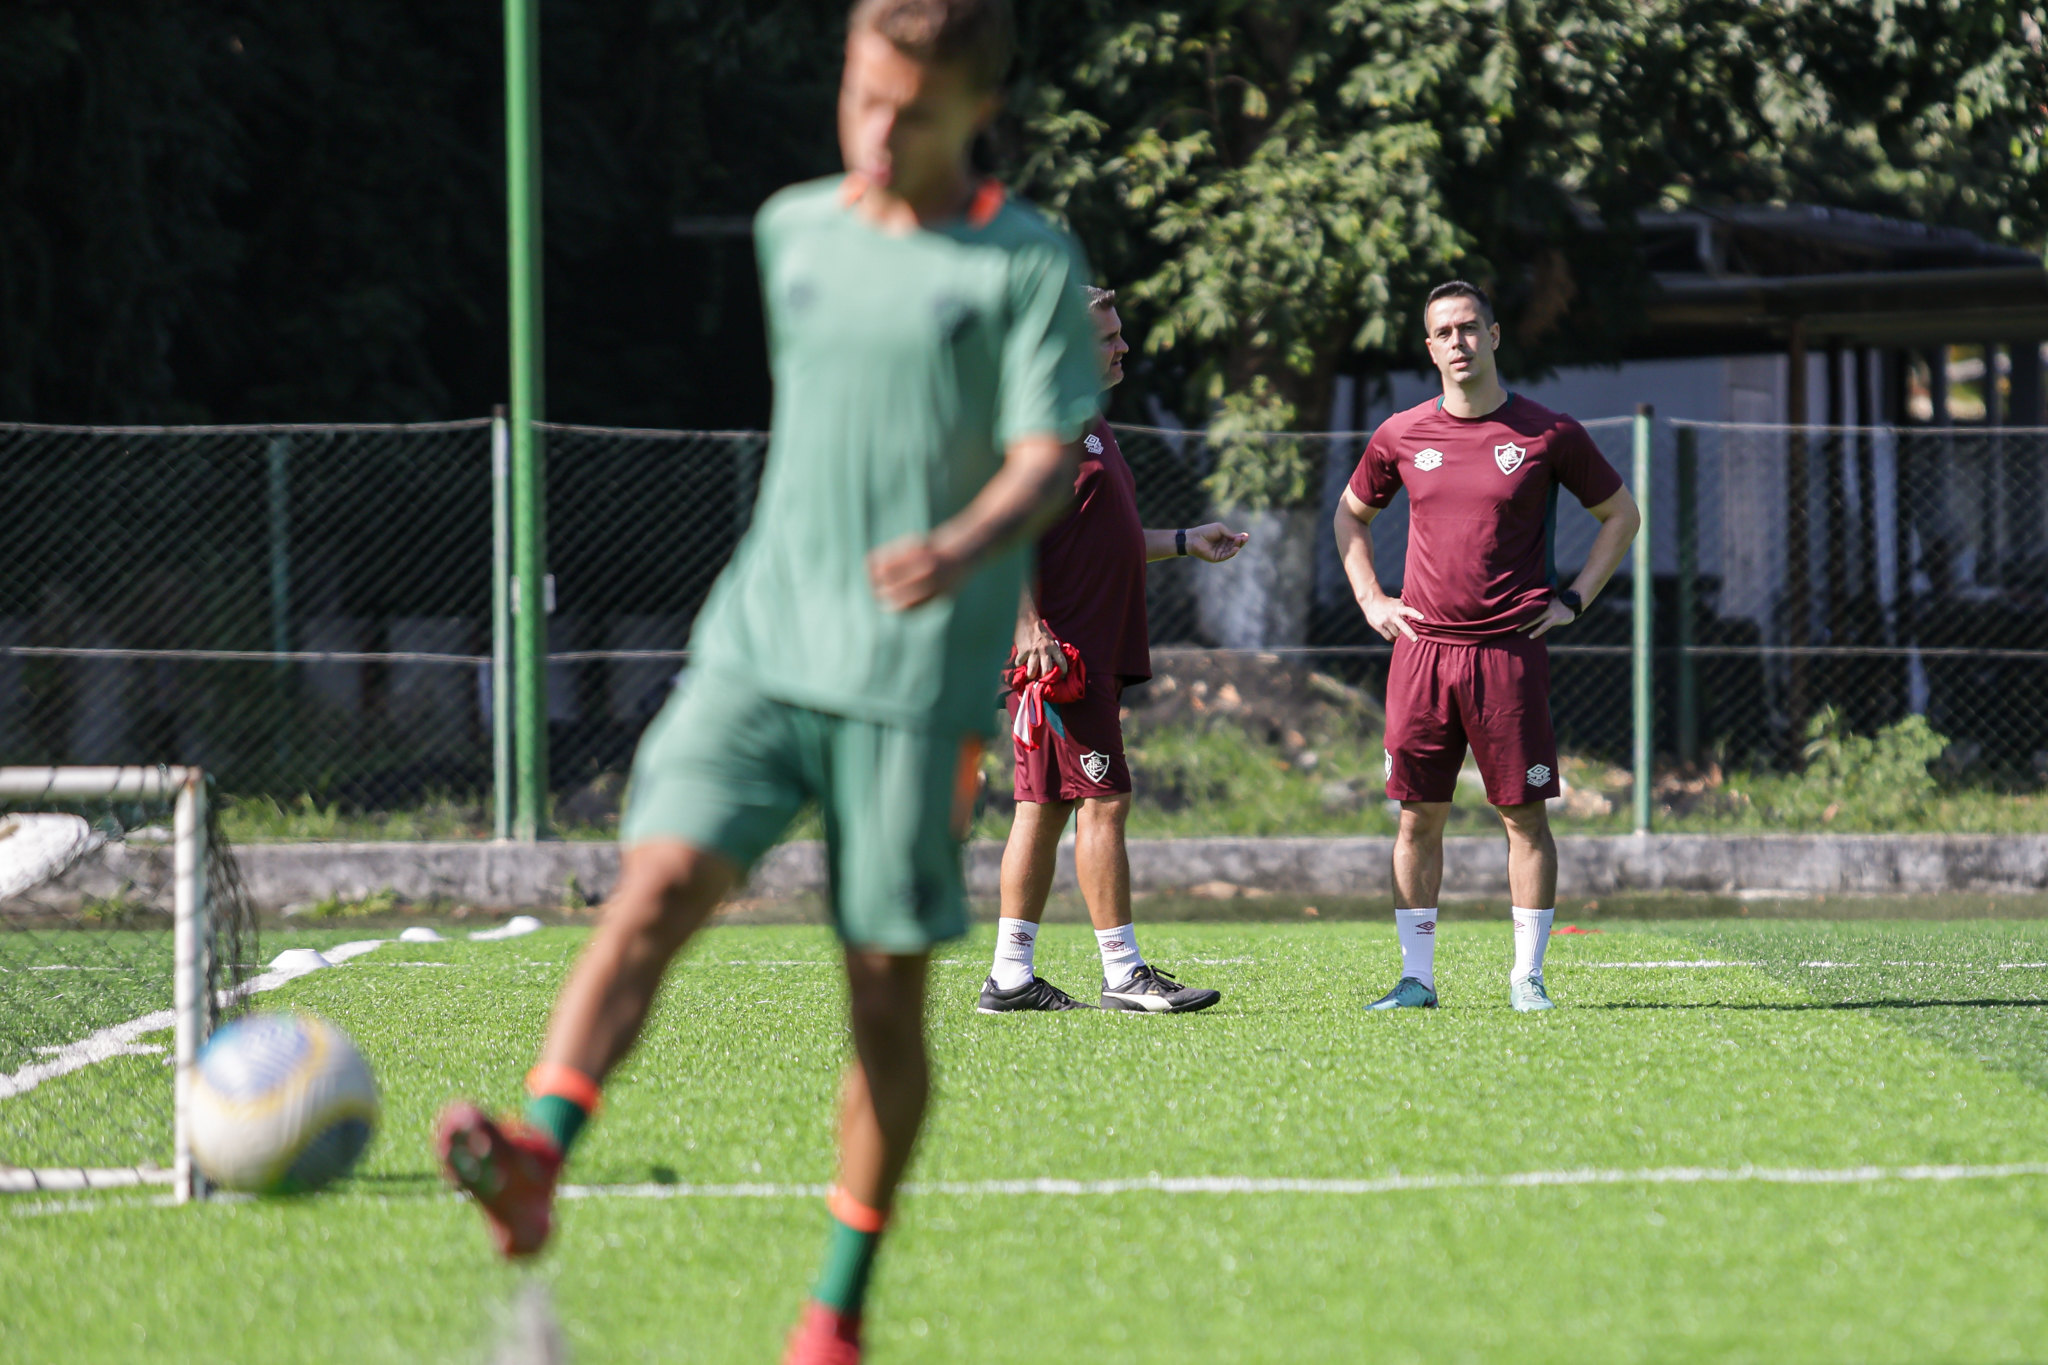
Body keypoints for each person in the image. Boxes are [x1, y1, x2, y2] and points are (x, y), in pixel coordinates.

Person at [433, 2, 1102, 1361]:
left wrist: (959, 544)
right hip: (757, 648)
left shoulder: (1028, 263)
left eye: (912, 110)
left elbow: (1046, 460)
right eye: (862, 94)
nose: (877, 129)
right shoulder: (792, 229)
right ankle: (540, 1152)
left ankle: (834, 1310)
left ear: (978, 110)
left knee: (882, 999)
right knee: (658, 885)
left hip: (912, 685)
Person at [1333, 280, 1640, 1013]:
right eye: (1444, 332)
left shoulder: (1548, 432)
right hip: (1423, 654)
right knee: (1418, 816)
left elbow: (1621, 515)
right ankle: (1416, 979)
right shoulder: (1401, 433)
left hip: (1507, 653)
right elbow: (1350, 516)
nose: (1458, 342)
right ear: (1430, 346)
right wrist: (1372, 599)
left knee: (1524, 816)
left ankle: (1528, 977)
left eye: (1469, 328)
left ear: (1494, 335)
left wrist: (1573, 599)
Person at [978, 288, 1248, 1014]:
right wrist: (1028, 628)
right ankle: (1124, 974)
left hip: (1090, 646)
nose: (1122, 347)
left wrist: (1186, 541)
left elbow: (1108, 537)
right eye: (1107, 338)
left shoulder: (1090, 421)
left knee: (1046, 806)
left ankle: (1010, 977)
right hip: (1061, 657)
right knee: (1105, 799)